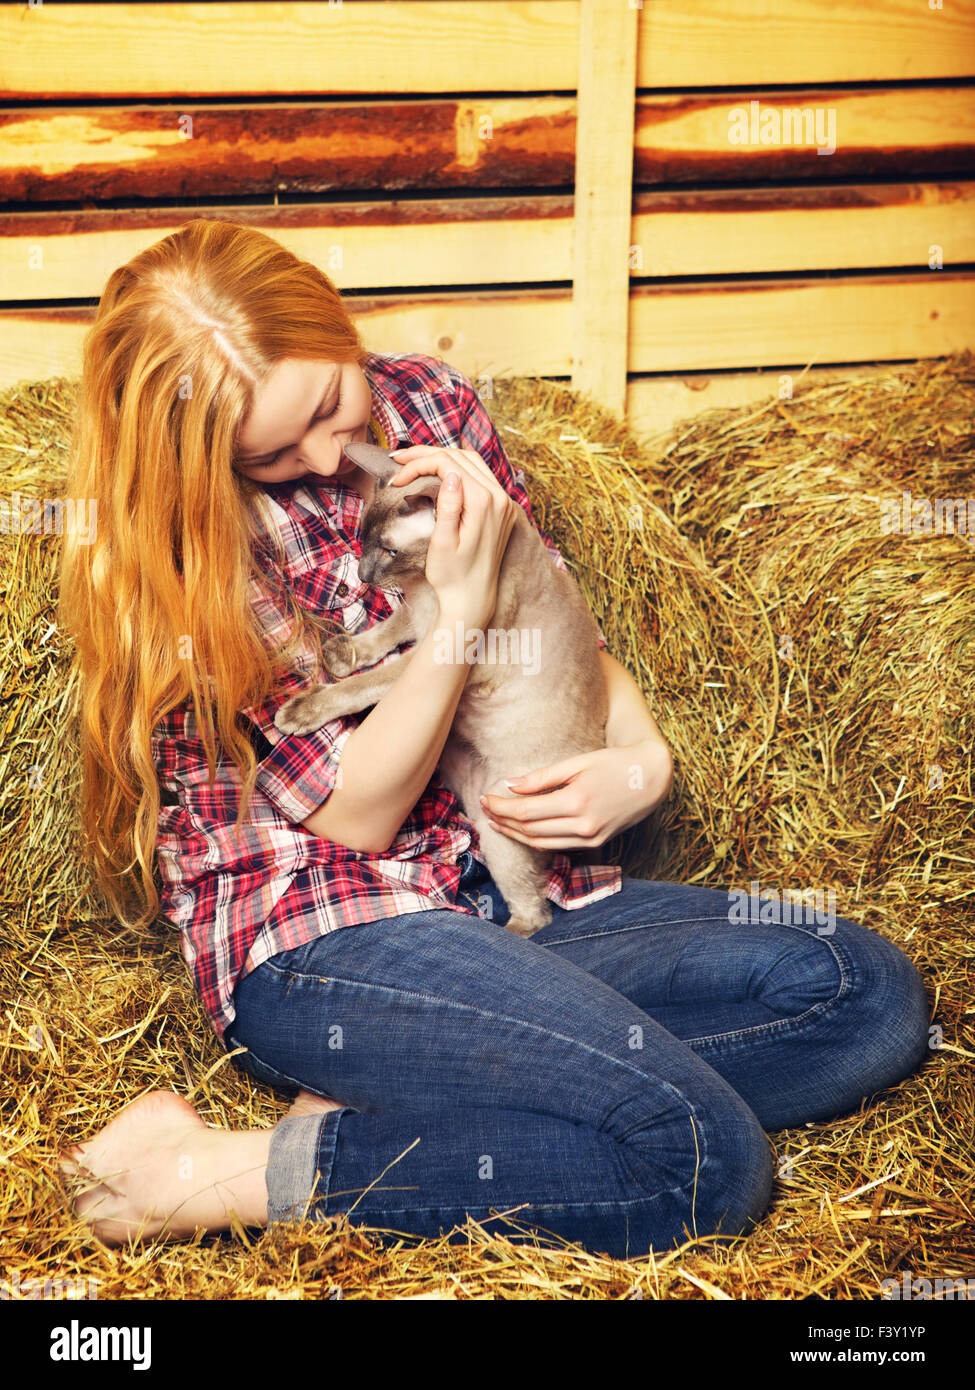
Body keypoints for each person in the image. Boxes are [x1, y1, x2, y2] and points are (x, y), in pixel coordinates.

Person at [57, 219, 930, 1258]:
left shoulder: (431, 402)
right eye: (277, 454)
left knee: (864, 997)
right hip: (331, 927)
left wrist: (641, 761)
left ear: (338, 328)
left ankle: (405, 1103)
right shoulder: (185, 534)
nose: (330, 457)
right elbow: (365, 813)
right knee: (698, 1161)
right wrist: (462, 611)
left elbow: (562, 630)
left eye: (332, 407)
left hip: (502, 899)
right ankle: (201, 1173)